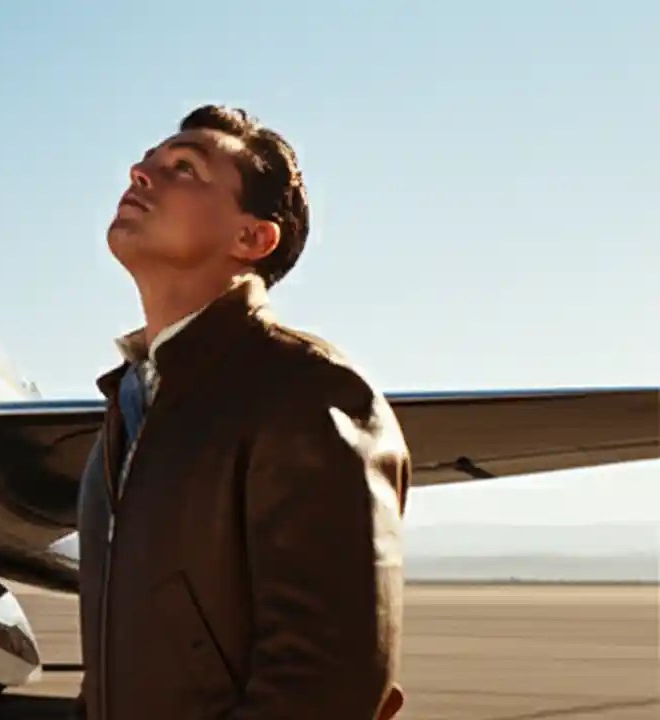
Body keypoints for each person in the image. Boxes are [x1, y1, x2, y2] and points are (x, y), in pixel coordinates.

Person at [73, 105, 410, 720]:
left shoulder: (309, 392)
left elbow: (326, 682)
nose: (140, 172)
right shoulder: (127, 405)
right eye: (147, 158)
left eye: (183, 167)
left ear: (251, 238)